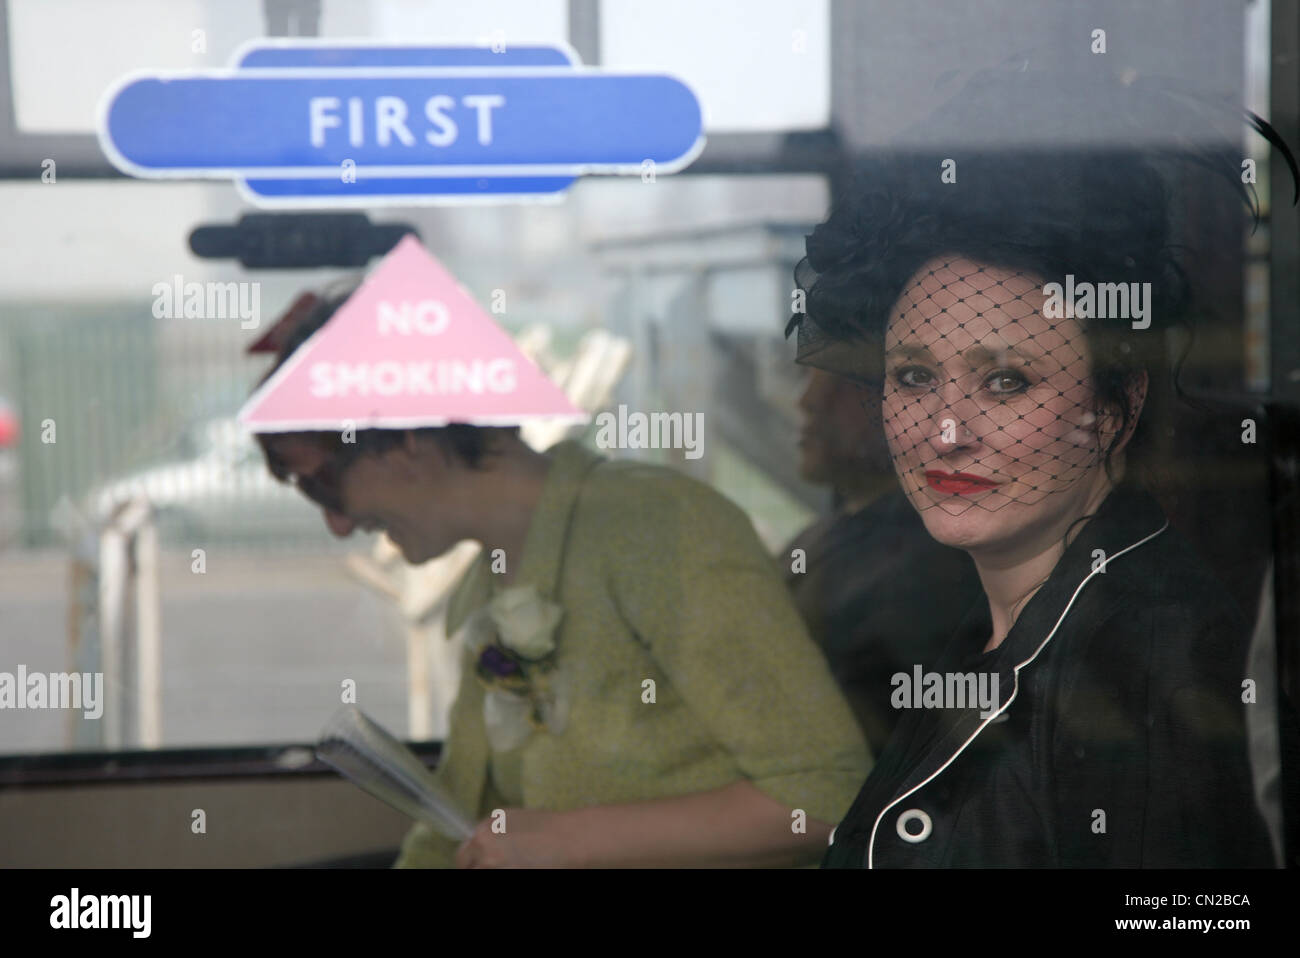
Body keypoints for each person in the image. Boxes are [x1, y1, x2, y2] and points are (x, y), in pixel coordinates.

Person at [787, 70, 1287, 867]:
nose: (946, 432)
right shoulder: (1001, 625)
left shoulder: (1144, 664)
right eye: (914, 376)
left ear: (1117, 407)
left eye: (1008, 381)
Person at [255, 288, 869, 868]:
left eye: (321, 483)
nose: (336, 524)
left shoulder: (661, 529)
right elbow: (457, 825)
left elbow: (825, 799)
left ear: (407, 438)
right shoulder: (491, 578)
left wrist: (568, 840)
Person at [781, 366, 980, 756]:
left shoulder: (935, 568)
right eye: (808, 376)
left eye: (846, 381)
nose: (808, 400)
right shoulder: (831, 534)